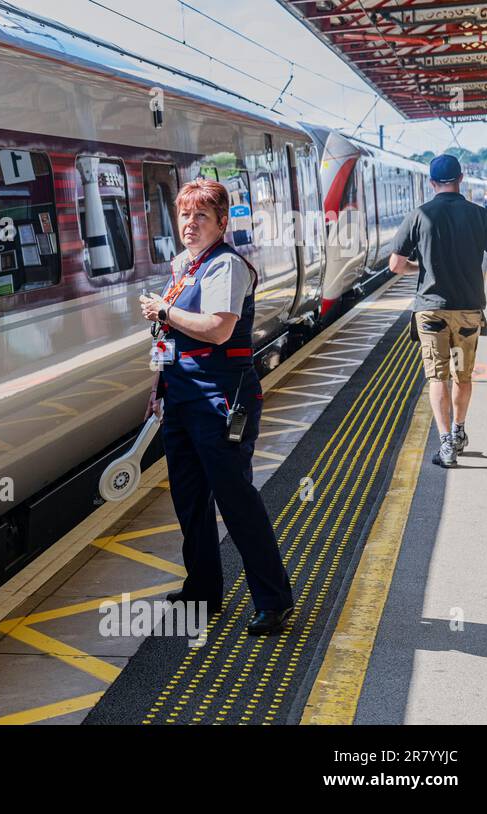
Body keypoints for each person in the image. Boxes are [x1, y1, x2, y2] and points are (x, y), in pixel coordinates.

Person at [139, 178, 295, 636]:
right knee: (190, 500)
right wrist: (159, 383)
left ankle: (273, 599)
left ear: (222, 223)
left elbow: (217, 329)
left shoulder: (226, 267)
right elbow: (171, 338)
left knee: (235, 499)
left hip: (222, 398)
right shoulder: (185, 265)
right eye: (185, 215)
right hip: (183, 396)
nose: (190, 223)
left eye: (201, 216)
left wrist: (163, 312)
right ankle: (202, 589)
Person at [388, 154, 487, 468]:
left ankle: (445, 446)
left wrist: (420, 266)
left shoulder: (420, 215)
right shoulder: (479, 214)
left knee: (437, 378)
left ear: (431, 182)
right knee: (463, 376)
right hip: (469, 309)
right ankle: (459, 432)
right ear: (461, 179)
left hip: (430, 312)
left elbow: (396, 265)